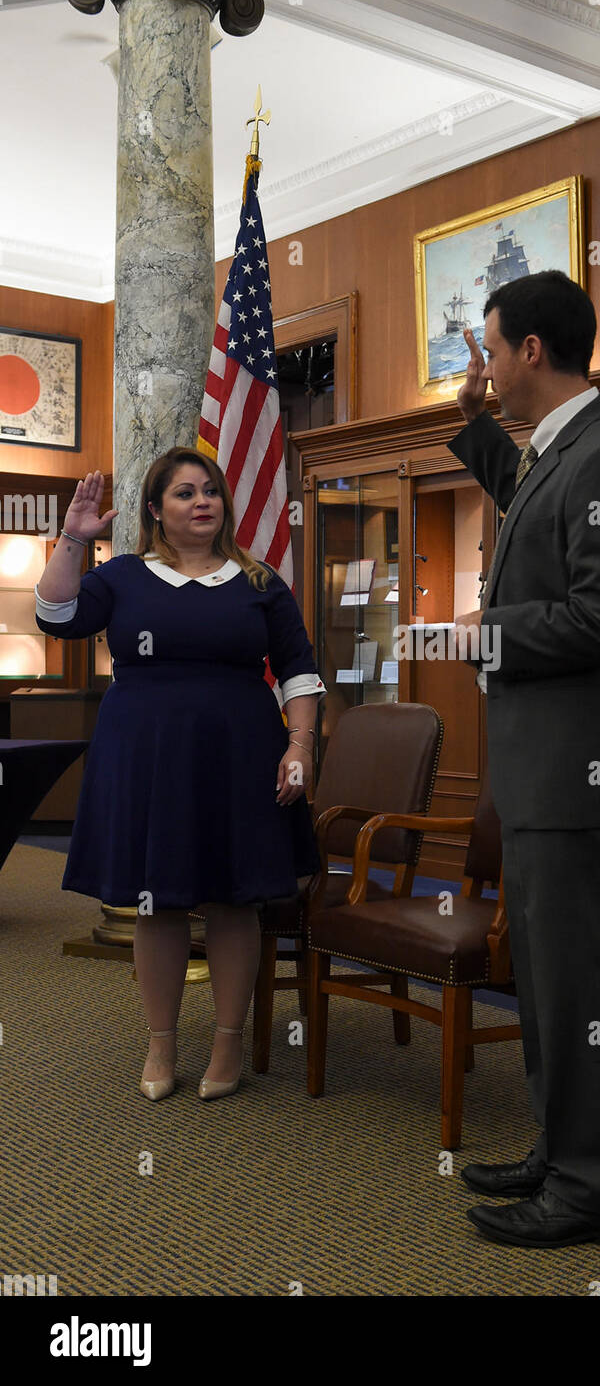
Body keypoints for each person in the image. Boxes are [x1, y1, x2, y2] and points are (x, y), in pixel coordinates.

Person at [446, 269, 600, 1247]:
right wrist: (471, 424)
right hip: (547, 777)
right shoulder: (557, 452)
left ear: (531, 350)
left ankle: (591, 1184)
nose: (488, 370)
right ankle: (563, 1144)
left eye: (492, 352)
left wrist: (479, 632)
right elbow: (527, 503)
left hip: (581, 778)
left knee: (579, 983)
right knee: (547, 977)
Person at [34, 448, 325, 1103]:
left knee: (232, 898)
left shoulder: (258, 581)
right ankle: (160, 1043)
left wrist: (299, 744)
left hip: (241, 753)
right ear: (157, 512)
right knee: (155, 902)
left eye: (211, 492)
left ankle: (227, 1042)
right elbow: (56, 617)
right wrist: (76, 538)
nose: (203, 502)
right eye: (185, 493)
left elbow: (299, 670)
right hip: (145, 755)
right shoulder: (126, 577)